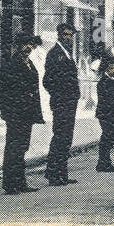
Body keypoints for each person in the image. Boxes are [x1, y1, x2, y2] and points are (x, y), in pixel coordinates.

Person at [0, 35, 43, 194]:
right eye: (26, 44)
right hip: (16, 114)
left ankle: (20, 183)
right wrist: (6, 111)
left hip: (27, 113)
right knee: (13, 148)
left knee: (22, 147)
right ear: (18, 45)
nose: (29, 48)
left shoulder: (29, 63)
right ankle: (10, 184)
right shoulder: (11, 64)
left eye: (32, 45)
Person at [42, 21, 81, 186]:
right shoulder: (55, 53)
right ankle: (53, 173)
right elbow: (47, 81)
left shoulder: (67, 53)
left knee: (66, 138)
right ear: (59, 35)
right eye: (65, 35)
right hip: (62, 102)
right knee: (60, 136)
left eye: (70, 35)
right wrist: (59, 96)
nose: (68, 38)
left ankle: (62, 174)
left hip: (69, 102)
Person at [95, 59, 114, 172]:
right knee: (107, 137)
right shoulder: (103, 82)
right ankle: (103, 163)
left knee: (111, 137)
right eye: (111, 68)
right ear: (106, 69)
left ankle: (104, 162)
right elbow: (107, 99)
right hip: (106, 114)